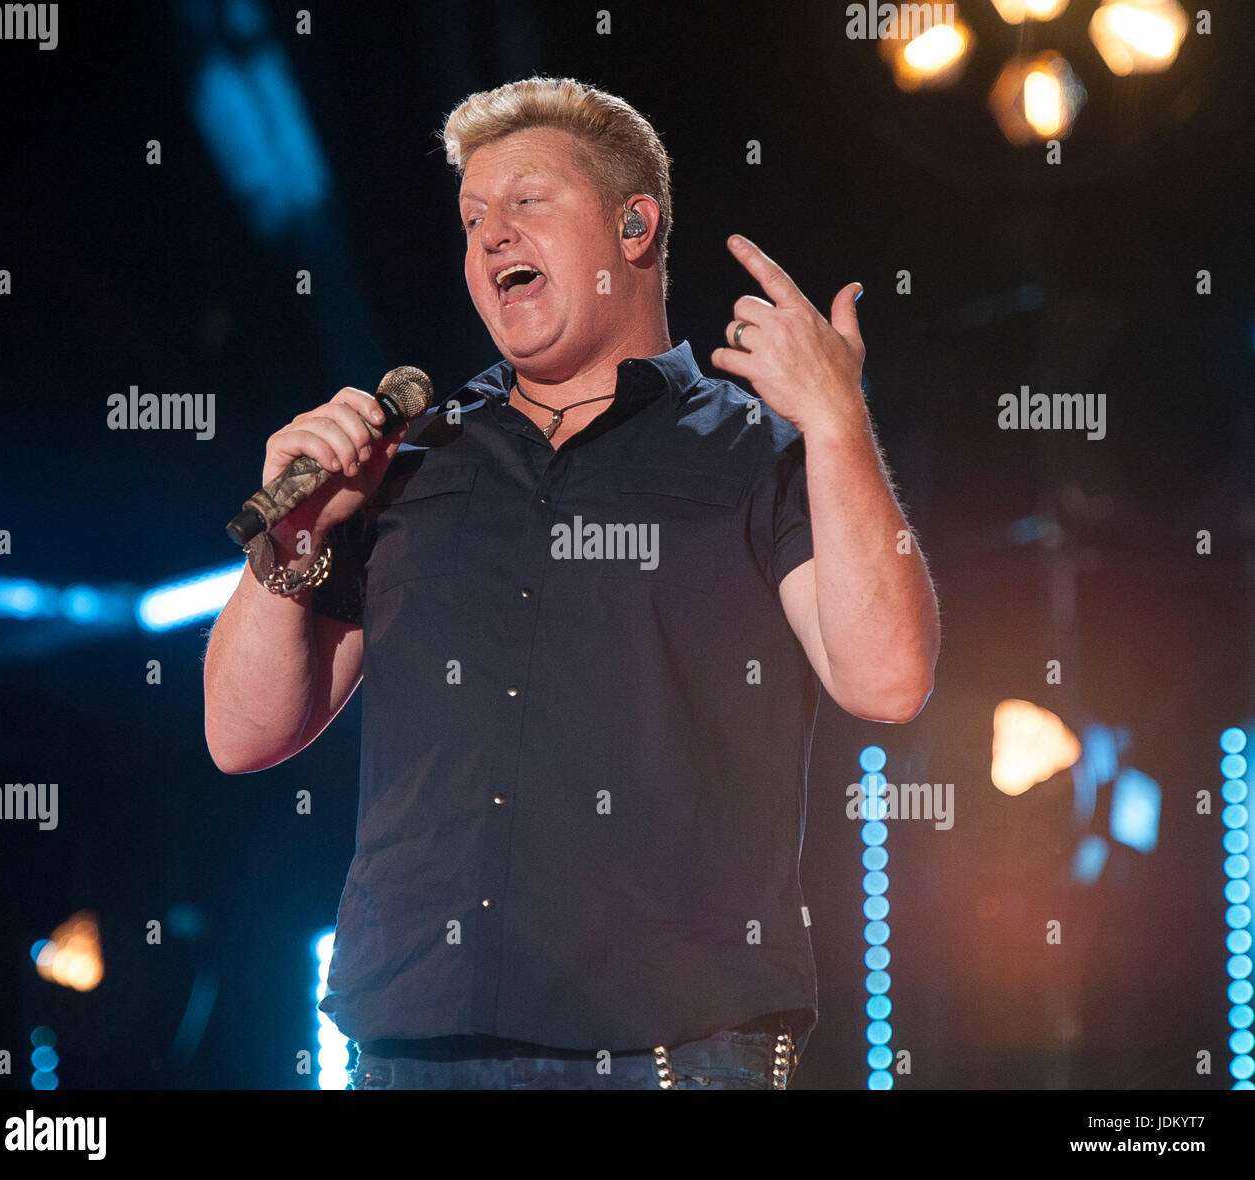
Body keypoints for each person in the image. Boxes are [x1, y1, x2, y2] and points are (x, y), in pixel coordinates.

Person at [203, 76, 939, 1090]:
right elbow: (241, 736)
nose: (491, 237)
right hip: (413, 1044)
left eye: (526, 202)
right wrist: (289, 542)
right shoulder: (408, 463)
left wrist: (837, 422)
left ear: (635, 226)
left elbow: (887, 679)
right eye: (472, 219)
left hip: (677, 1046)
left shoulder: (758, 452)